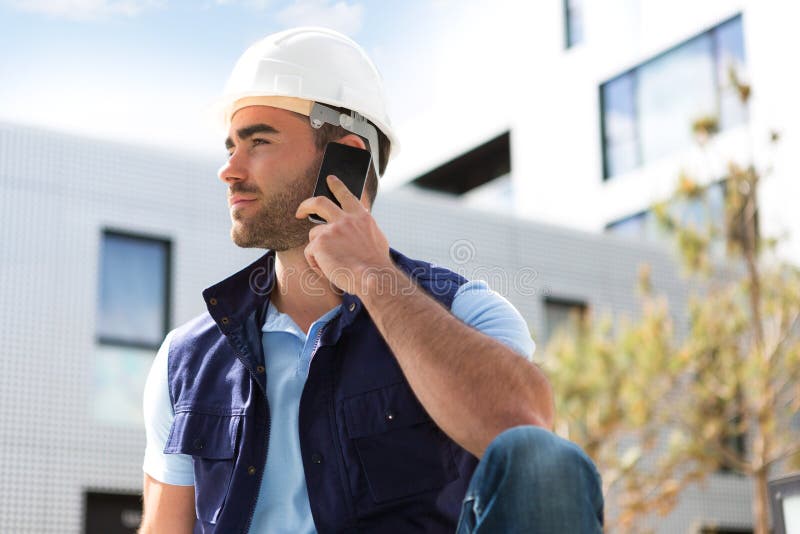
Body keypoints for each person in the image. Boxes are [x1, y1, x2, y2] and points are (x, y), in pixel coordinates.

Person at [139, 27, 603, 534]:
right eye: (230, 146)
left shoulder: (466, 314)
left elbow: (526, 441)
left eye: (258, 142)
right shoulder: (184, 361)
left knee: (545, 460)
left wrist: (374, 277)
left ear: (346, 156)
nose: (229, 170)